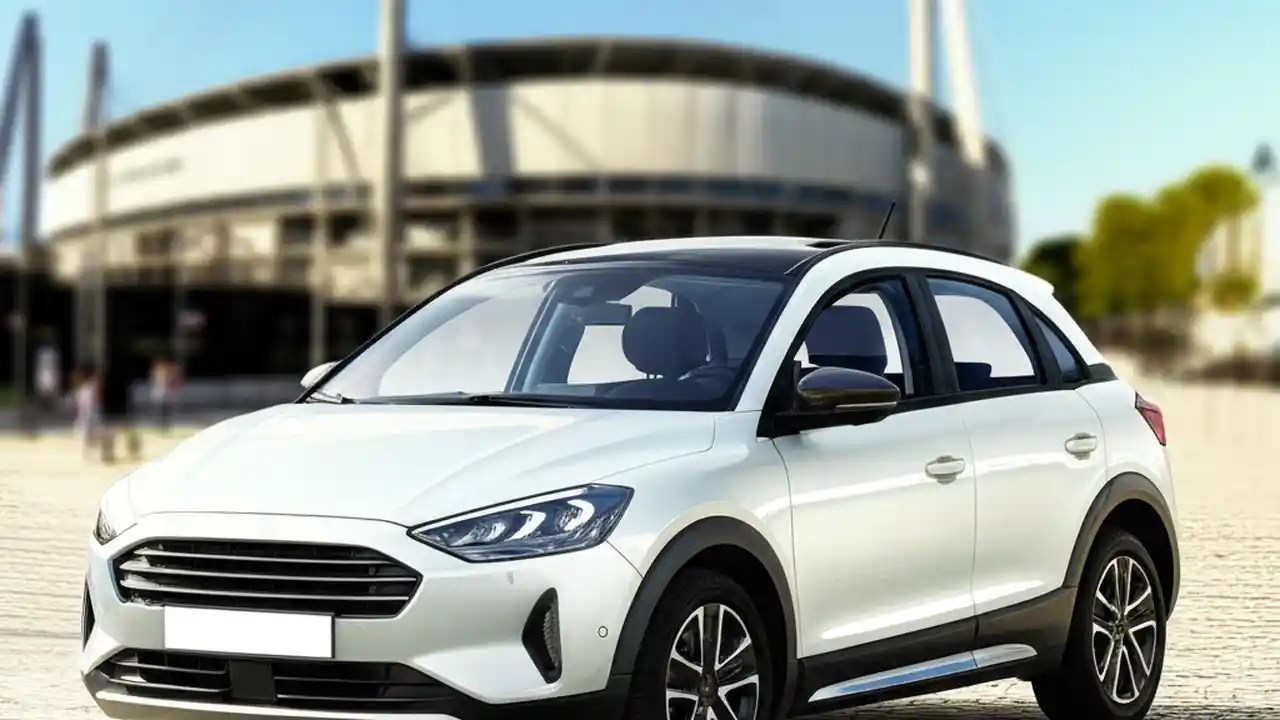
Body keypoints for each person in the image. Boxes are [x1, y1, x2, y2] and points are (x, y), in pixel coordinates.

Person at [71, 364, 102, 461]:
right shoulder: (84, 389)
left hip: (90, 414)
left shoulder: (86, 389)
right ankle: (88, 453)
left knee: (91, 435)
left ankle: (90, 453)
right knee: (88, 435)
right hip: (87, 414)